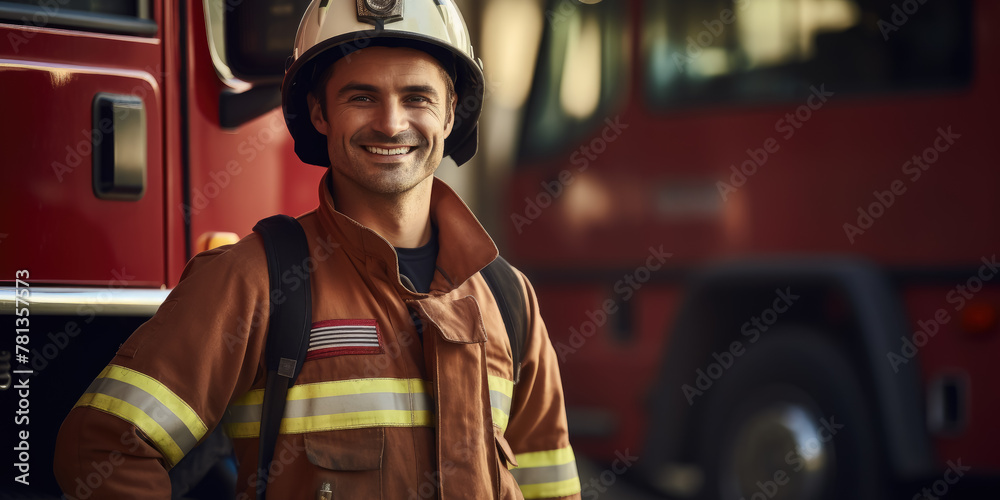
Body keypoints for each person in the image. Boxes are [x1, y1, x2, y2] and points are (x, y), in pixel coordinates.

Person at [53, 0, 582, 498]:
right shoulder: (255, 279)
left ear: (448, 116)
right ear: (320, 114)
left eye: (417, 97)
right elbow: (101, 448)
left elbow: (550, 482)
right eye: (361, 97)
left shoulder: (507, 298)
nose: (391, 123)